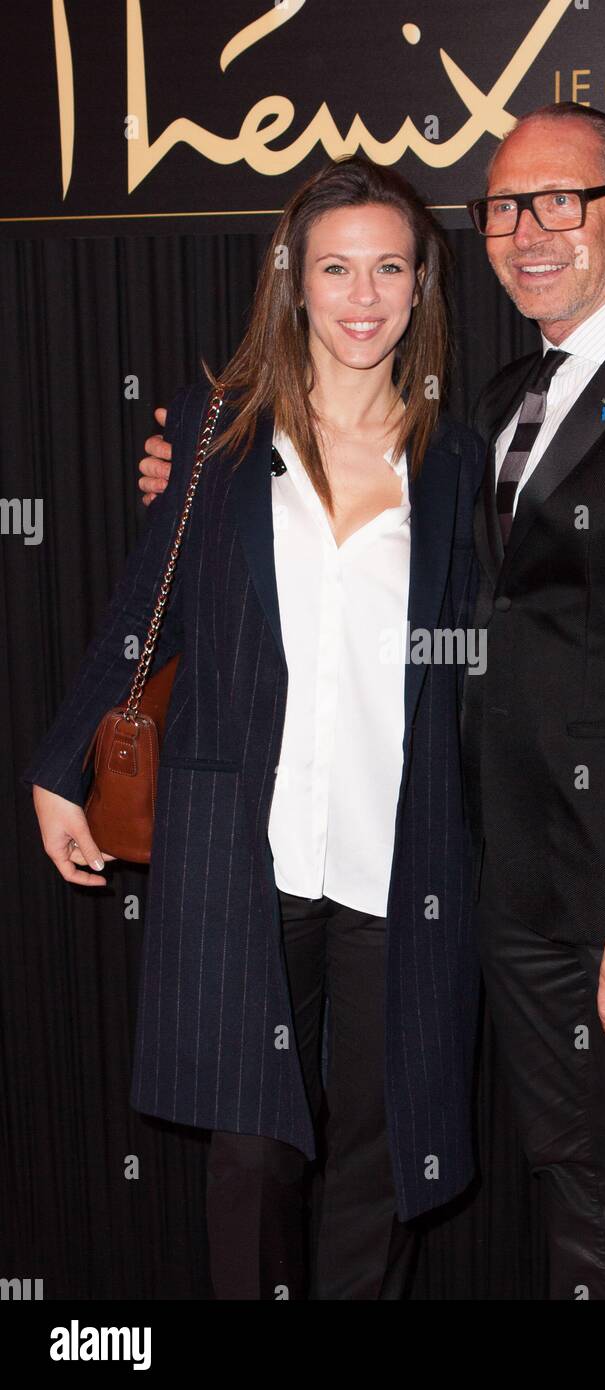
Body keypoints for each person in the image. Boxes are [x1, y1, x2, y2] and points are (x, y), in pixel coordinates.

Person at [137, 106, 605, 1301]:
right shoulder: (490, 410)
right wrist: (201, 462)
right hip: (513, 890)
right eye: (502, 206)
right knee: (576, 1187)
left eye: (562, 200)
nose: (526, 229)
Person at [21, 154, 485, 1300]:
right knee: (251, 1154)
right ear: (292, 282)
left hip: (401, 856)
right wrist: (58, 762)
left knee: (381, 1162)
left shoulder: (462, 461)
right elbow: (147, 608)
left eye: (389, 266)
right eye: (335, 267)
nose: (363, 294)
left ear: (422, 285)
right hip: (247, 851)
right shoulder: (217, 437)